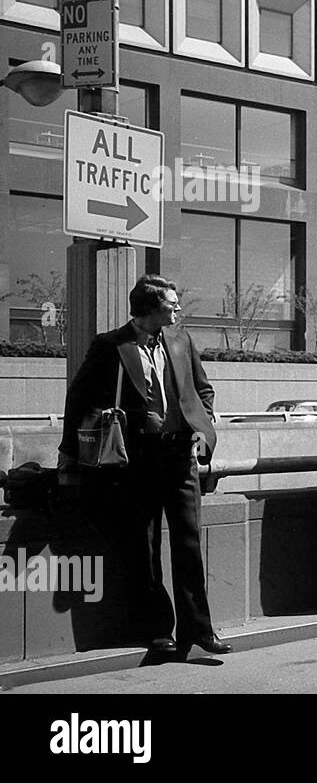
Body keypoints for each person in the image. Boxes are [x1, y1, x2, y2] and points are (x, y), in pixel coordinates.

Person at [59, 274, 231, 656]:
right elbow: (78, 398)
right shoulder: (110, 345)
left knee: (189, 546)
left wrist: (203, 429)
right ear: (150, 309)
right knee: (145, 548)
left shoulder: (181, 340)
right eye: (172, 305)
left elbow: (202, 389)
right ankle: (158, 632)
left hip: (180, 456)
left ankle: (199, 630)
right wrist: (69, 451)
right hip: (135, 462)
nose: (178, 309)